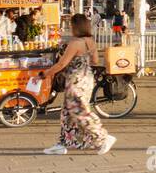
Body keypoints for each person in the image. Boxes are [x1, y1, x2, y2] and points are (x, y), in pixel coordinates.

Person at [38, 15, 115, 155]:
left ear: (76, 26)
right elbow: (96, 61)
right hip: (87, 78)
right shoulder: (90, 41)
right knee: (67, 113)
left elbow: (62, 64)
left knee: (80, 112)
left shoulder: (75, 43)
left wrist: (46, 74)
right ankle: (62, 144)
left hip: (75, 80)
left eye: (71, 25)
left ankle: (104, 137)